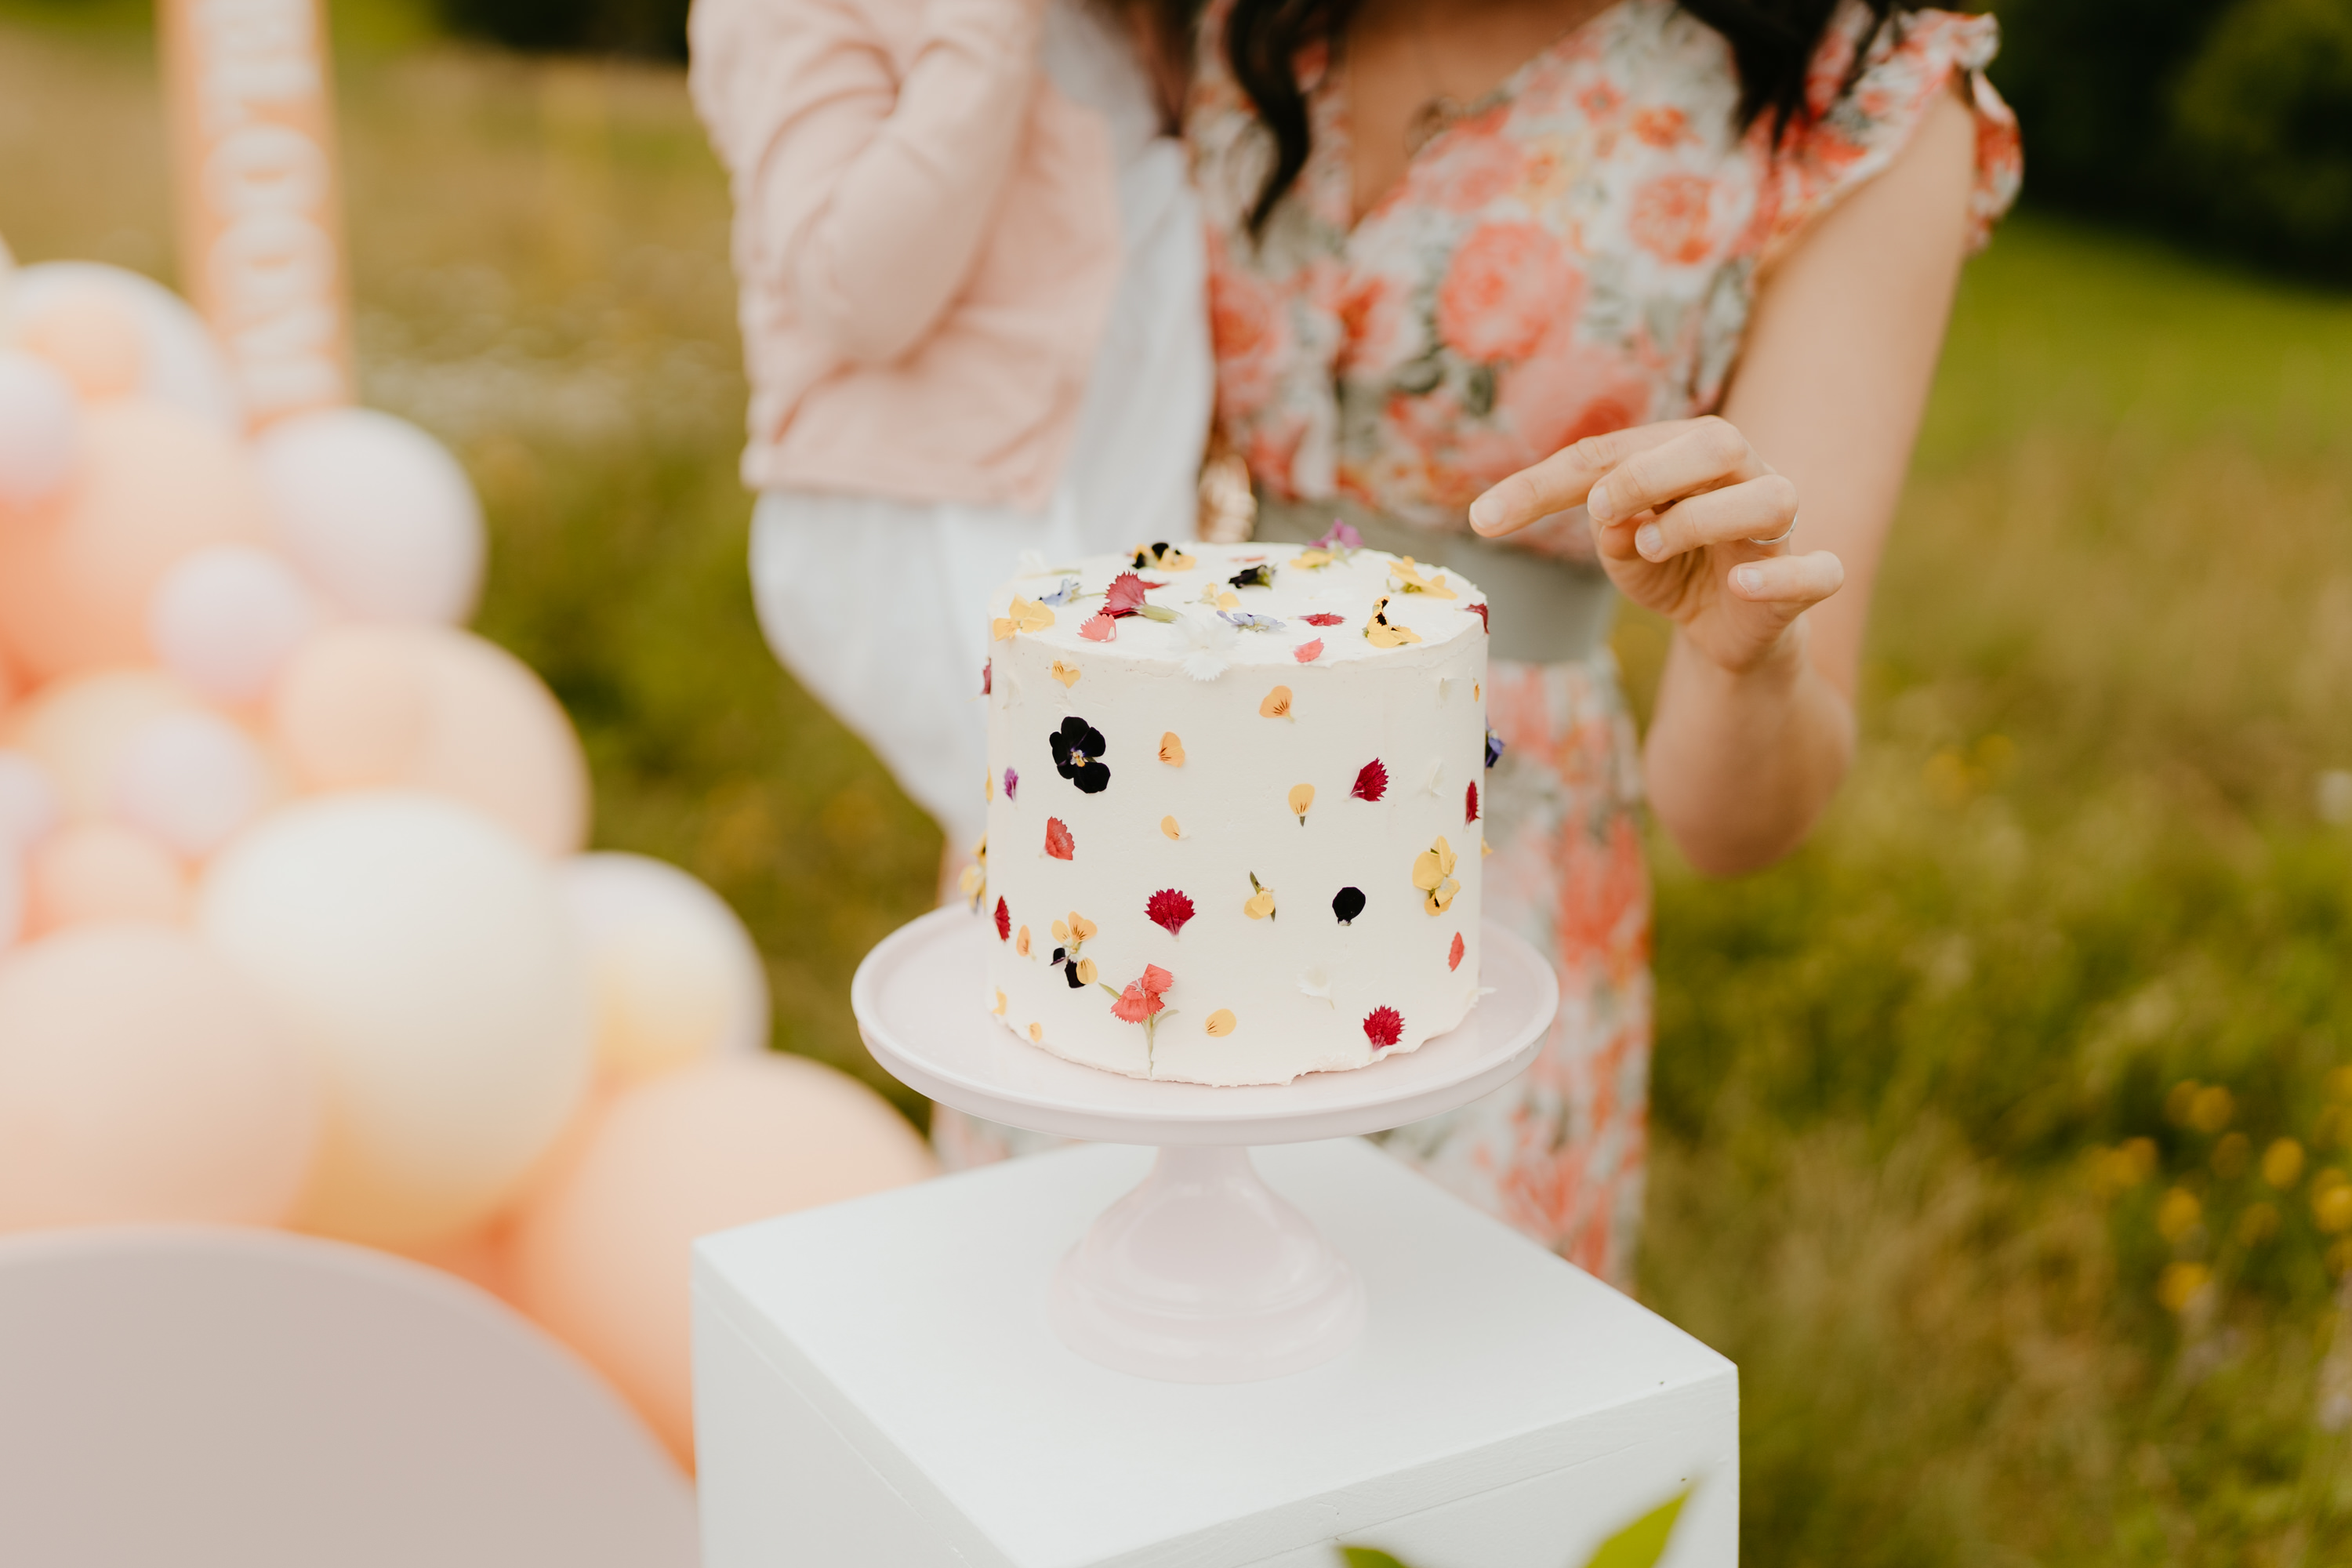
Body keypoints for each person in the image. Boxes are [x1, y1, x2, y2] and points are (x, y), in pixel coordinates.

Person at [1189, 0, 2020, 1285]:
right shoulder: (1225, 20)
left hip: (1484, 863)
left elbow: (1733, 823)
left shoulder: (1867, 87)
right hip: (1147, 789)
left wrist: (1745, 659)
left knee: (1415, 1350)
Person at [688, 0, 1213, 886]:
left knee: (1059, 857)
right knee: (1081, 857)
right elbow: (855, 292)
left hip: (1109, 489)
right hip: (943, 511)